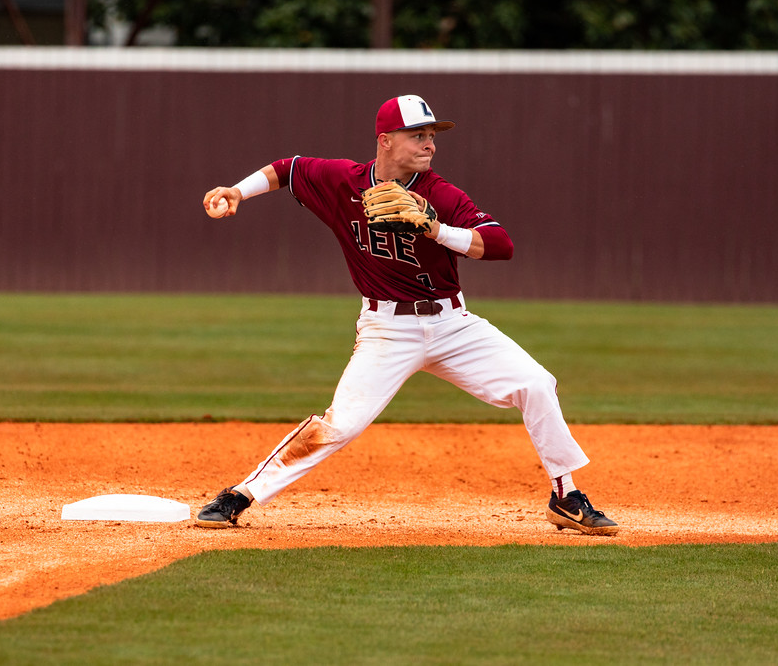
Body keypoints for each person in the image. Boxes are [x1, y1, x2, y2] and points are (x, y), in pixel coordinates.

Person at [197, 94, 618, 536]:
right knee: (341, 425)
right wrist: (237, 191)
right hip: (386, 330)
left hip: (453, 325)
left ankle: (565, 496)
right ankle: (241, 494)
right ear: (385, 140)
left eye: (432, 136)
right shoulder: (343, 180)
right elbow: (288, 168)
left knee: (536, 383)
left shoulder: (439, 194)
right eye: (417, 135)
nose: (429, 144)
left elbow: (499, 245)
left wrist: (435, 229)